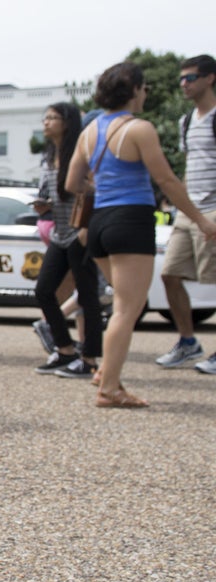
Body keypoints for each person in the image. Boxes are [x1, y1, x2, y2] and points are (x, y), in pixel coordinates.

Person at [65, 61, 216, 407]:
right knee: (127, 309)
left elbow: (72, 183)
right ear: (133, 89)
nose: (146, 92)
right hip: (130, 220)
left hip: (101, 221)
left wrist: (103, 185)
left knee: (122, 304)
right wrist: (200, 220)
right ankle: (110, 389)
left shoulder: (89, 131)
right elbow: (166, 180)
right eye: (144, 86)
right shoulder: (139, 129)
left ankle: (106, 373)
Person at [31, 102, 104, 379]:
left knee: (88, 297)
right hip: (60, 233)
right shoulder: (49, 156)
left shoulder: (81, 153)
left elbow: (95, 189)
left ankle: (89, 359)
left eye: (52, 118)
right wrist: (44, 205)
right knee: (44, 290)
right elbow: (55, 194)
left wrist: (87, 226)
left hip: (80, 232)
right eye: (45, 117)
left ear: (67, 122)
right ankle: (65, 350)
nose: (46, 122)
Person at [156, 54, 216, 373]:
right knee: (169, 275)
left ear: (210, 78)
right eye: (181, 79)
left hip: (214, 208)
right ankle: (188, 341)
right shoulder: (187, 121)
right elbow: (189, 167)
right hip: (189, 210)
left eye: (190, 78)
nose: (184, 84)